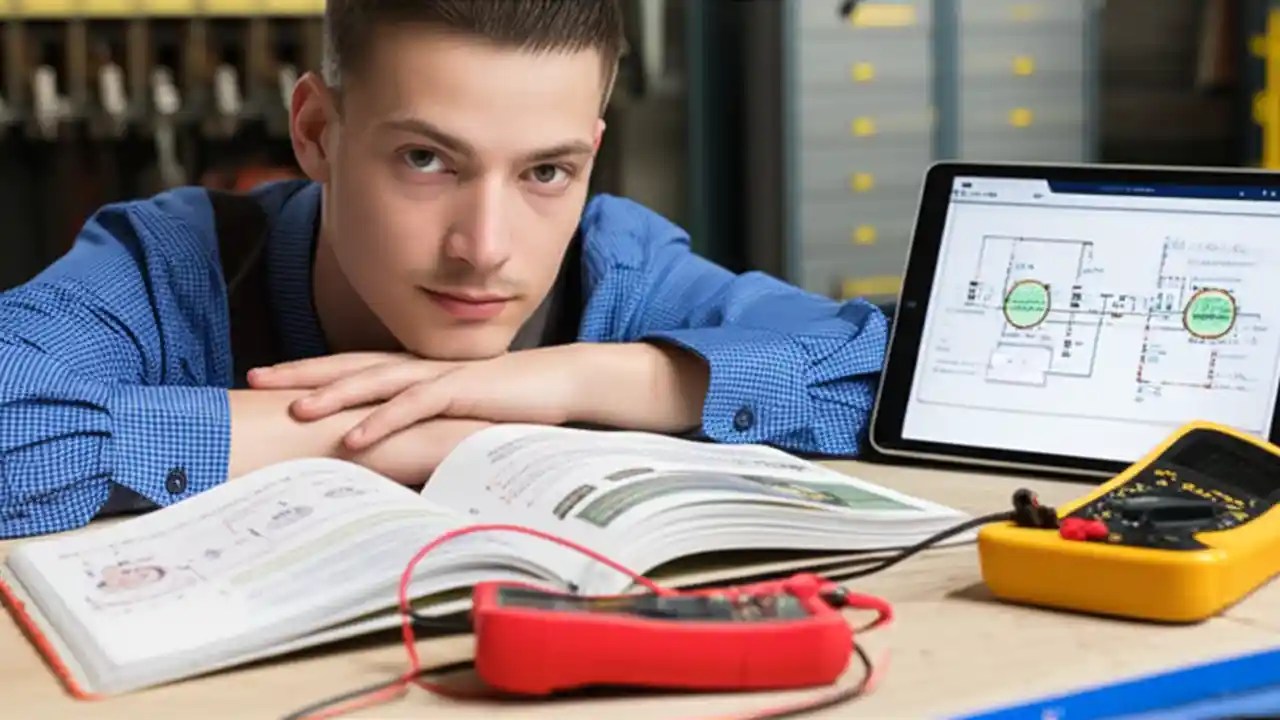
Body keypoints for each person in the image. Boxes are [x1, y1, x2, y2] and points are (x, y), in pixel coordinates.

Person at [0, 0, 888, 539]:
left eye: (547, 172)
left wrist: (577, 381)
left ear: (591, 156)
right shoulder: (174, 264)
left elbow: (899, 374)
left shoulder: (618, 267)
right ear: (315, 132)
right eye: (428, 160)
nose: (486, 247)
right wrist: (402, 434)